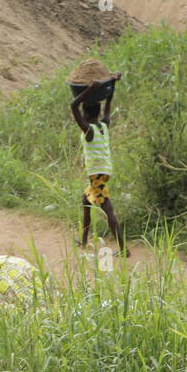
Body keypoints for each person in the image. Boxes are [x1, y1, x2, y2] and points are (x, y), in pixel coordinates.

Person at [70, 71, 125, 254]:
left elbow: (73, 105)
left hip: (97, 174)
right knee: (85, 200)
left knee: (107, 209)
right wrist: (112, 84)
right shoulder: (104, 126)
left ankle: (124, 249)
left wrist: (89, 91)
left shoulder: (89, 131)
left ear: (85, 115)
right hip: (103, 172)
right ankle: (84, 241)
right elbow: (108, 103)